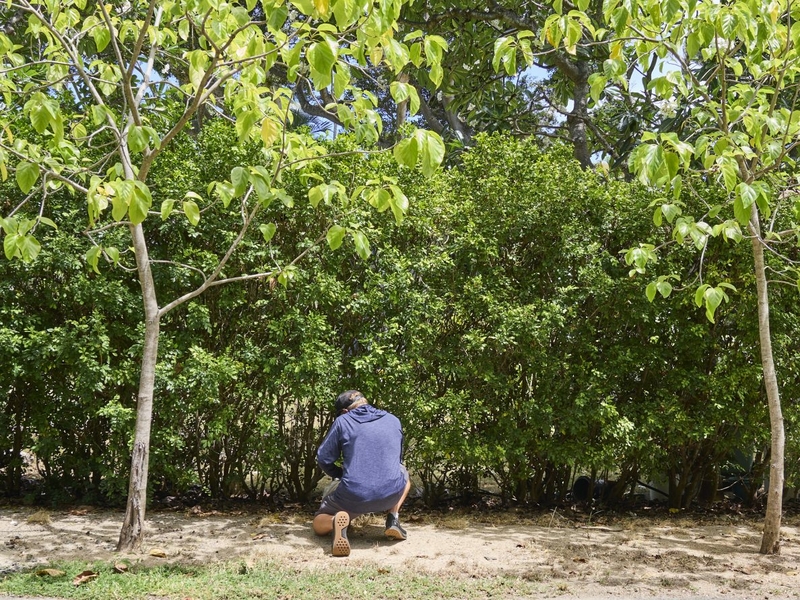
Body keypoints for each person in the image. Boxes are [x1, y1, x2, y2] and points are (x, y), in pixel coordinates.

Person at [312, 390, 411, 557]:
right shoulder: (393, 420)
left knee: (318, 523)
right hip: (391, 493)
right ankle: (393, 518)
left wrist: (339, 474)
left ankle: (335, 521)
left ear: (344, 411)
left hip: (354, 496)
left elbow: (323, 458)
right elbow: (396, 461)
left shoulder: (343, 421)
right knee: (403, 473)